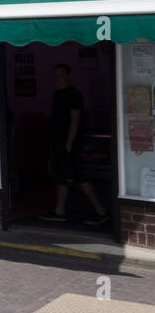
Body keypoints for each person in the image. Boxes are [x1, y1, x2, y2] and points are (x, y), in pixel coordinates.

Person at [40, 63, 109, 226]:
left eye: (61, 75)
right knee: (60, 176)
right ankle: (59, 211)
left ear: (68, 76)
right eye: (55, 75)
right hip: (58, 143)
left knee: (78, 175)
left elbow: (75, 118)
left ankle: (101, 210)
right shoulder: (57, 95)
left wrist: (69, 143)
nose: (58, 78)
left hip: (70, 143)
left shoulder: (74, 94)